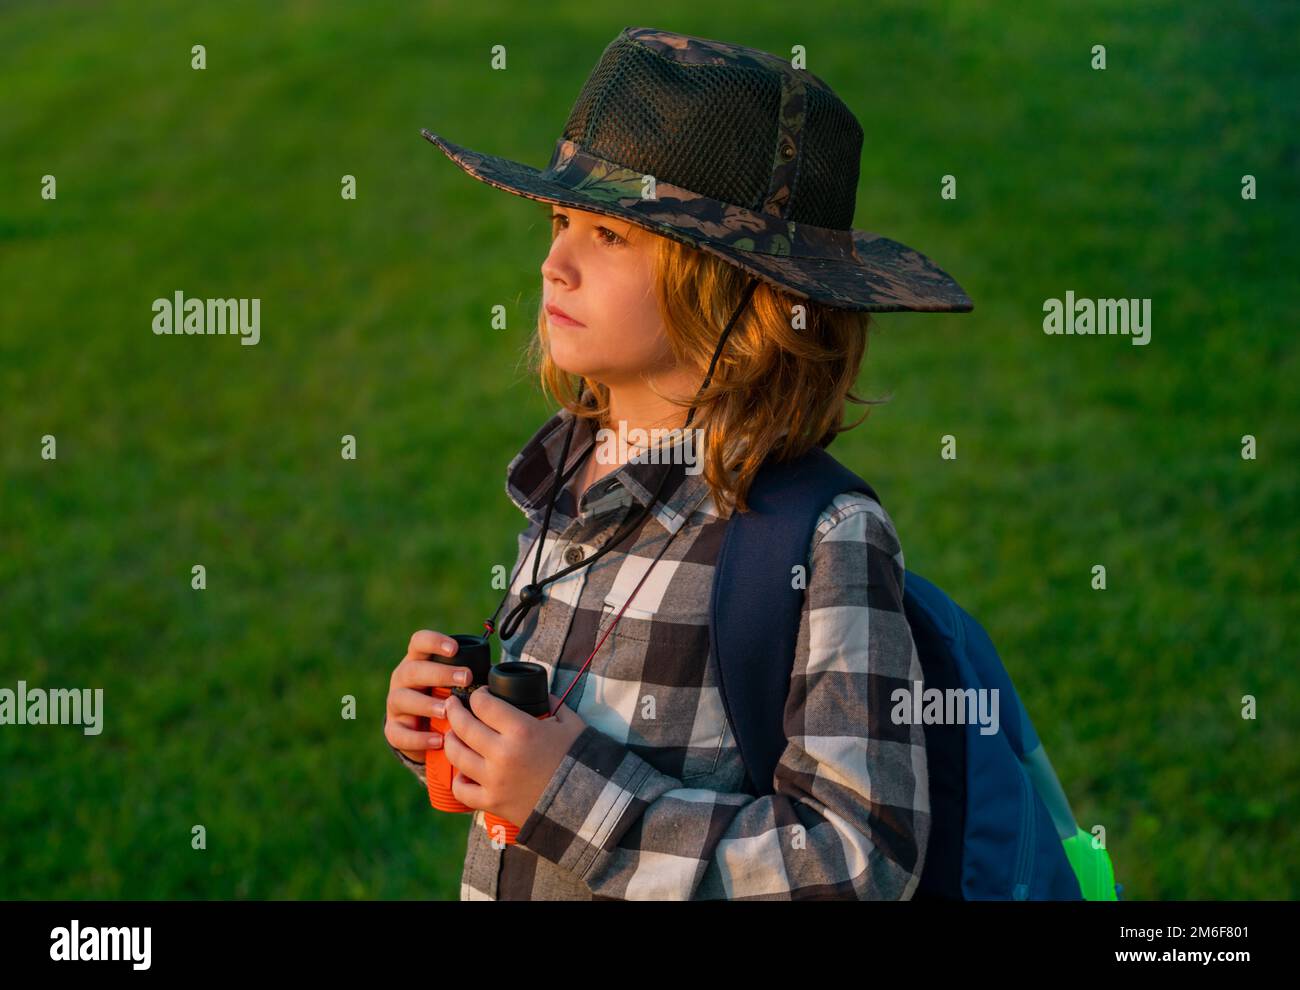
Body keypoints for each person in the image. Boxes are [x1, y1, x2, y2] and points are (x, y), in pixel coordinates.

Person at [383, 26, 973, 900]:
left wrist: (569, 796)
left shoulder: (818, 539)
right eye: (559, 220)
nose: (555, 264)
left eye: (613, 236)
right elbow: (545, 757)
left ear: (745, 297)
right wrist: (457, 730)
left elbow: (860, 861)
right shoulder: (568, 479)